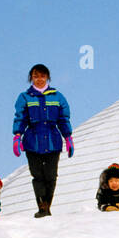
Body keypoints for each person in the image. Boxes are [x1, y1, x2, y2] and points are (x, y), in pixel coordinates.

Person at [12, 63, 72, 218]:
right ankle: (42, 207)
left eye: (42, 76)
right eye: (36, 76)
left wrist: (68, 137)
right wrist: (17, 136)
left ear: (48, 77)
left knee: (51, 176)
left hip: (53, 142)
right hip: (33, 142)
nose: (39, 79)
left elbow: (63, 118)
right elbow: (20, 118)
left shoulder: (57, 96)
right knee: (37, 176)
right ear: (31, 78)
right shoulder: (25, 97)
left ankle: (47, 206)